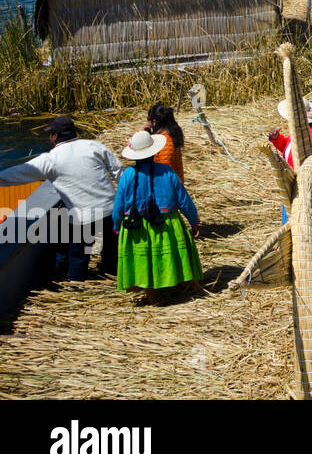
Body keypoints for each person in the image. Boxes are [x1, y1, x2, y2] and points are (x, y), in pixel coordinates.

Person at [0, 117, 121, 280]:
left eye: (50, 134)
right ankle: (114, 274)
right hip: (109, 208)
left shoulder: (50, 159)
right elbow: (118, 170)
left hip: (83, 217)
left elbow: (17, 174)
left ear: (55, 136)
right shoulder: (93, 146)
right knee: (112, 251)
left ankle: (78, 284)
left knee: (78, 256)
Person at [113, 130, 201, 304]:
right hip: (167, 224)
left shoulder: (128, 175)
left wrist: (117, 227)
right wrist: (194, 222)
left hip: (138, 227)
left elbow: (119, 206)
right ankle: (175, 286)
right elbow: (183, 199)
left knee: (146, 259)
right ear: (153, 152)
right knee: (168, 257)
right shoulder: (166, 171)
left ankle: (153, 295)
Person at [268, 99, 312, 225]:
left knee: (304, 221)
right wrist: (276, 139)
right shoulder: (296, 133)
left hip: (304, 188)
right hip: (291, 183)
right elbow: (287, 147)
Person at [144, 104, 185, 185]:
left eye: (148, 119)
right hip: (173, 184)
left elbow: (165, 169)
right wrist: (146, 132)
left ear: (154, 122)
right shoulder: (169, 134)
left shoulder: (165, 141)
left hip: (167, 187)